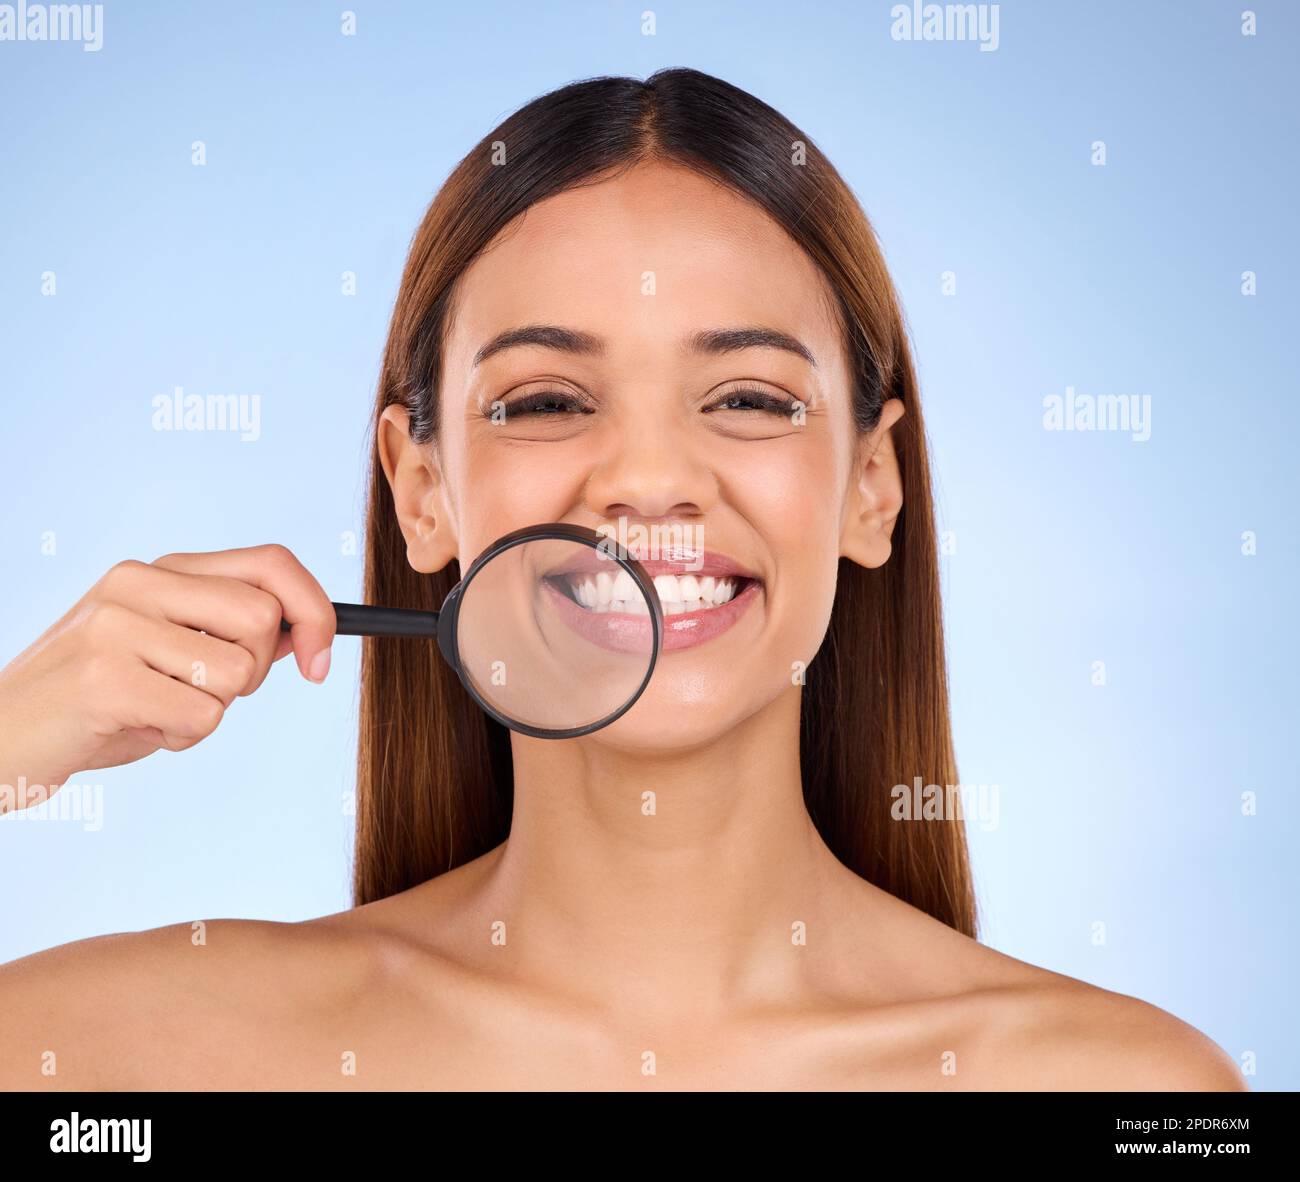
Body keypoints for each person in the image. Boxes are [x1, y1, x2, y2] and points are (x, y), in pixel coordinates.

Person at [0, 68, 1246, 1090]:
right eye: (547, 400)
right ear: (420, 489)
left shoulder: (1129, 1093)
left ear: (872, 484)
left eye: (749, 397)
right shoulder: (116, 1057)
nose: (648, 480)